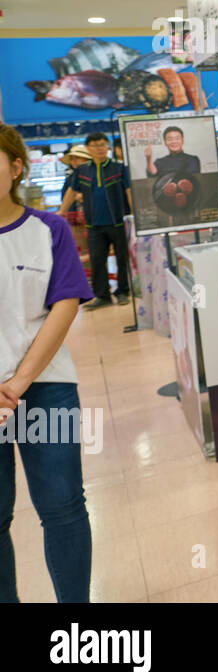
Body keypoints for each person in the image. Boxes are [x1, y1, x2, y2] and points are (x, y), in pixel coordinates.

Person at [0, 123, 95, 603]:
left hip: (46, 388)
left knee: (62, 507)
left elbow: (65, 304)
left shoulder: (49, 230)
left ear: (16, 167)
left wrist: (18, 381)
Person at [72, 132, 131, 309]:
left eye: (103, 144)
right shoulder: (82, 170)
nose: (100, 148)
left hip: (118, 221)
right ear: (88, 149)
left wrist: (134, 214)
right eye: (96, 145)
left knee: (122, 258)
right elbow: (72, 191)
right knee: (97, 260)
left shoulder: (119, 168)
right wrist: (60, 210)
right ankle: (102, 295)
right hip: (94, 224)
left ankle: (122, 292)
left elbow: (128, 191)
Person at [55, 145, 92, 216]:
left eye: (78, 158)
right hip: (75, 216)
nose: (74, 161)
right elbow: (64, 195)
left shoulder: (96, 174)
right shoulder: (71, 178)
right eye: (72, 159)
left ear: (86, 159)